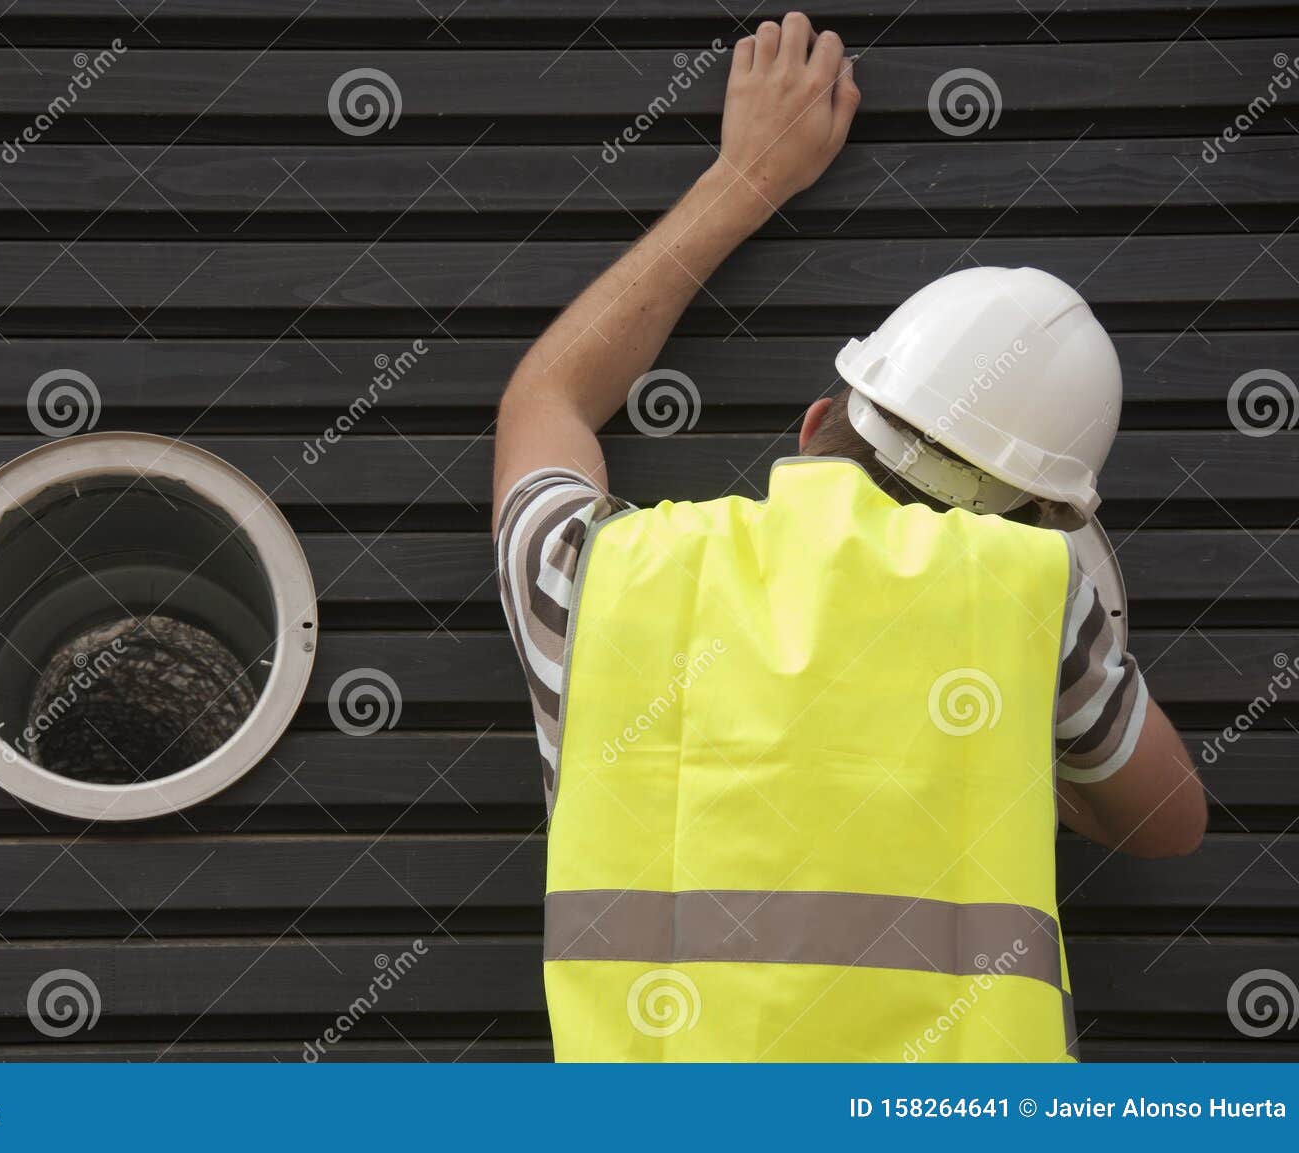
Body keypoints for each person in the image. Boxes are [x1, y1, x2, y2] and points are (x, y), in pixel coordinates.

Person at [491, 12, 1205, 1061]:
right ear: (1039, 520)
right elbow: (1168, 821)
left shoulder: (597, 583)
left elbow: (547, 397)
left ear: (818, 424)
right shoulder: (1033, 599)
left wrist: (744, 179)